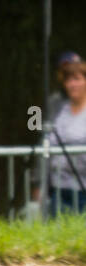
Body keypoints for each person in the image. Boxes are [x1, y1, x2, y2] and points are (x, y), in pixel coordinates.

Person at [47, 59, 86, 216]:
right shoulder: (60, 111)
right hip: (59, 190)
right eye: (68, 80)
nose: (72, 84)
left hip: (83, 190)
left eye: (77, 79)